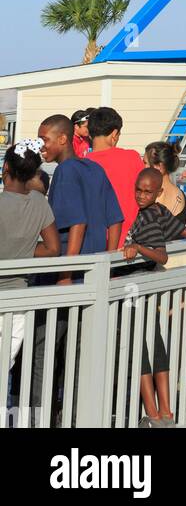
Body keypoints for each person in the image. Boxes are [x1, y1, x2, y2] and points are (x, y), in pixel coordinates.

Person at [120, 168, 186, 427]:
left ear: (159, 192)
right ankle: (167, 414)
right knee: (155, 345)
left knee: (139, 349)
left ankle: (152, 415)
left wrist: (138, 247)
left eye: (147, 192)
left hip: (136, 289)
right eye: (138, 190)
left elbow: (161, 256)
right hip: (149, 289)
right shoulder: (161, 211)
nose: (141, 196)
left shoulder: (147, 218)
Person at [0, 141, 61, 364]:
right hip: (19, 300)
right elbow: (53, 248)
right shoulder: (39, 202)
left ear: (6, 167)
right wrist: (24, 250)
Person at [39, 115, 123, 274]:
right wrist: (109, 265)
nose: (41, 146)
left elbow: (78, 222)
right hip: (96, 268)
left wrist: (66, 275)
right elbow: (115, 219)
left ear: (62, 139)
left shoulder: (65, 170)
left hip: (72, 268)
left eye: (44, 140)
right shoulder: (95, 168)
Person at [86, 106, 145, 246]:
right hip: (132, 243)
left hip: (95, 245)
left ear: (89, 134)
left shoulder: (83, 165)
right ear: (114, 134)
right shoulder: (133, 157)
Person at [143, 141, 186, 221]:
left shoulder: (150, 195)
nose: (142, 166)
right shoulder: (180, 195)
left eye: (145, 163)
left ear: (159, 167)